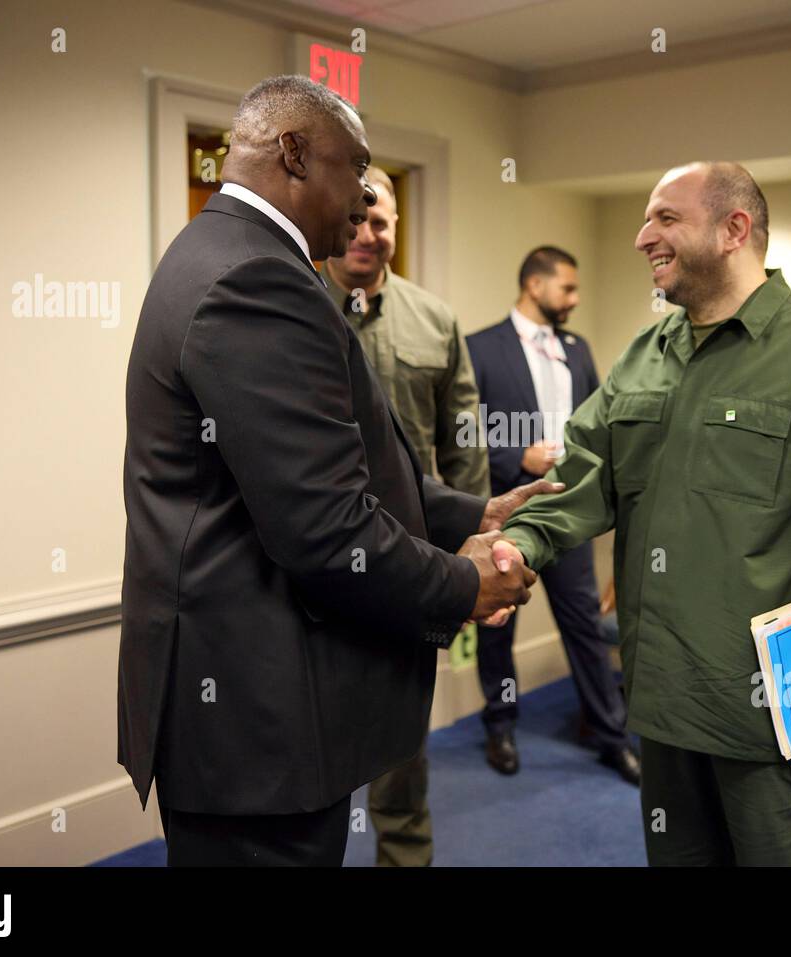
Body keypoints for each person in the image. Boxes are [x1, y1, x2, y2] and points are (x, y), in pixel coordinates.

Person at [117, 75, 550, 866]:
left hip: (248, 708)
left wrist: (467, 514)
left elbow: (336, 466)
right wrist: (465, 584)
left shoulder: (227, 251)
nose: (365, 200)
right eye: (355, 169)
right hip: (253, 722)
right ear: (292, 153)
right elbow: (323, 526)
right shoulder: (255, 278)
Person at [493, 162, 791, 866]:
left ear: (735, 228)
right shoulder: (645, 356)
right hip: (666, 715)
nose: (643, 235)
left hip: (780, 731)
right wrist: (519, 546)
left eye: (665, 218)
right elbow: (583, 474)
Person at [322, 166, 490, 867]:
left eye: (380, 220)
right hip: (317, 572)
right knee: (315, 764)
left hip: (408, 573)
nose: (366, 233)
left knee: (401, 762)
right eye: (354, 218)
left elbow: (464, 443)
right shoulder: (295, 308)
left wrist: (478, 550)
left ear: (397, 226)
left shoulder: (435, 318)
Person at [465, 247, 640, 785]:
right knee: (497, 627)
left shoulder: (578, 347)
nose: (575, 298)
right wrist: (517, 455)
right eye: (566, 288)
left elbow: (596, 421)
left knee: (584, 623)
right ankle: (501, 724)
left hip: (569, 512)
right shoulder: (480, 348)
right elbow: (462, 433)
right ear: (534, 285)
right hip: (507, 513)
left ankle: (611, 734)